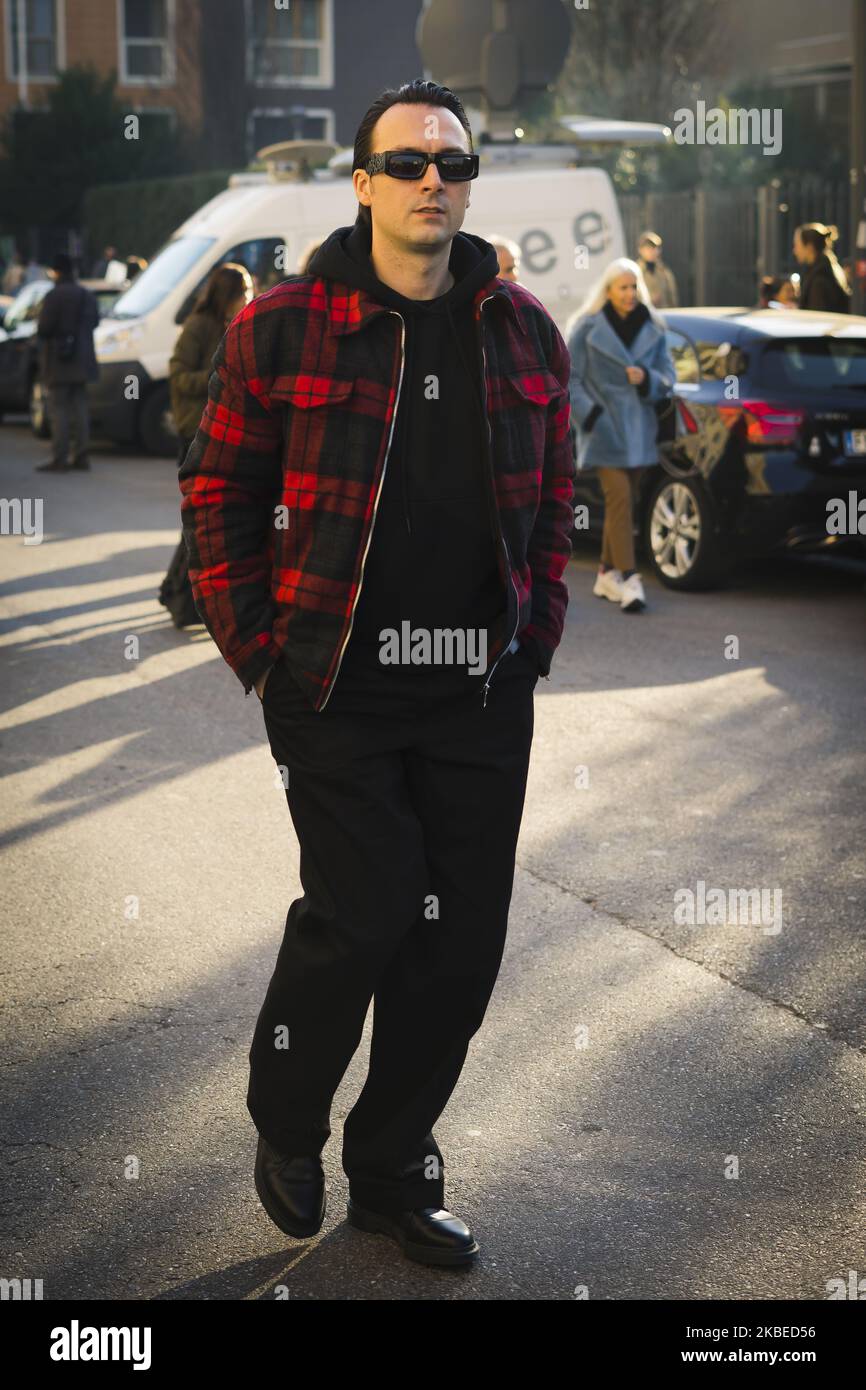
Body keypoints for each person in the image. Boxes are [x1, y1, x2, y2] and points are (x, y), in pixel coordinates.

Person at [178, 77, 575, 1268]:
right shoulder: (282, 325)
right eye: (405, 164)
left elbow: (555, 498)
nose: (431, 184)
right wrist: (262, 651)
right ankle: (287, 1119)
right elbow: (217, 494)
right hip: (336, 683)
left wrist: (534, 636)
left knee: (458, 944)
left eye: (450, 165)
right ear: (361, 184)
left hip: (477, 690)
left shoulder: (519, 327)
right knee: (365, 909)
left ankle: (393, 1170)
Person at [566, 257, 675, 613]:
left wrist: (647, 379)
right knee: (620, 499)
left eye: (633, 287)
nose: (629, 294)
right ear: (608, 291)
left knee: (623, 502)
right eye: (622, 287)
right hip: (605, 428)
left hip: (640, 428)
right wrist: (591, 415)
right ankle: (629, 578)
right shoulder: (586, 327)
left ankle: (605, 572)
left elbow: (668, 376)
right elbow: (570, 378)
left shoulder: (655, 326)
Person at [158, 263, 253, 628]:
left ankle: (176, 593)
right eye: (242, 292)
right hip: (196, 433)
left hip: (227, 433)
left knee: (206, 522)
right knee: (201, 522)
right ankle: (178, 597)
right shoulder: (199, 327)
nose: (248, 297)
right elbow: (178, 375)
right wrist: (219, 374)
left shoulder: (242, 323)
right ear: (225, 295)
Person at [34, 252, 100, 473]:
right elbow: (95, 323)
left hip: (60, 362)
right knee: (80, 408)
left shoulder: (54, 296)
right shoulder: (87, 296)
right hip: (83, 362)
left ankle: (59, 458)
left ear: (57, 271)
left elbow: (44, 329)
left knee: (59, 410)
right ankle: (82, 456)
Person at [793, 223, 852, 313]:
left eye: (797, 245)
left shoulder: (820, 278)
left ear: (809, 247)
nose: (795, 250)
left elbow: (816, 317)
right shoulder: (826, 268)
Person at [636, 231, 678, 309]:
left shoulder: (664, 272)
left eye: (654, 248)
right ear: (640, 250)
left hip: (664, 315)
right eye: (648, 248)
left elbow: (672, 298)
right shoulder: (635, 271)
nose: (652, 251)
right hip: (644, 316)